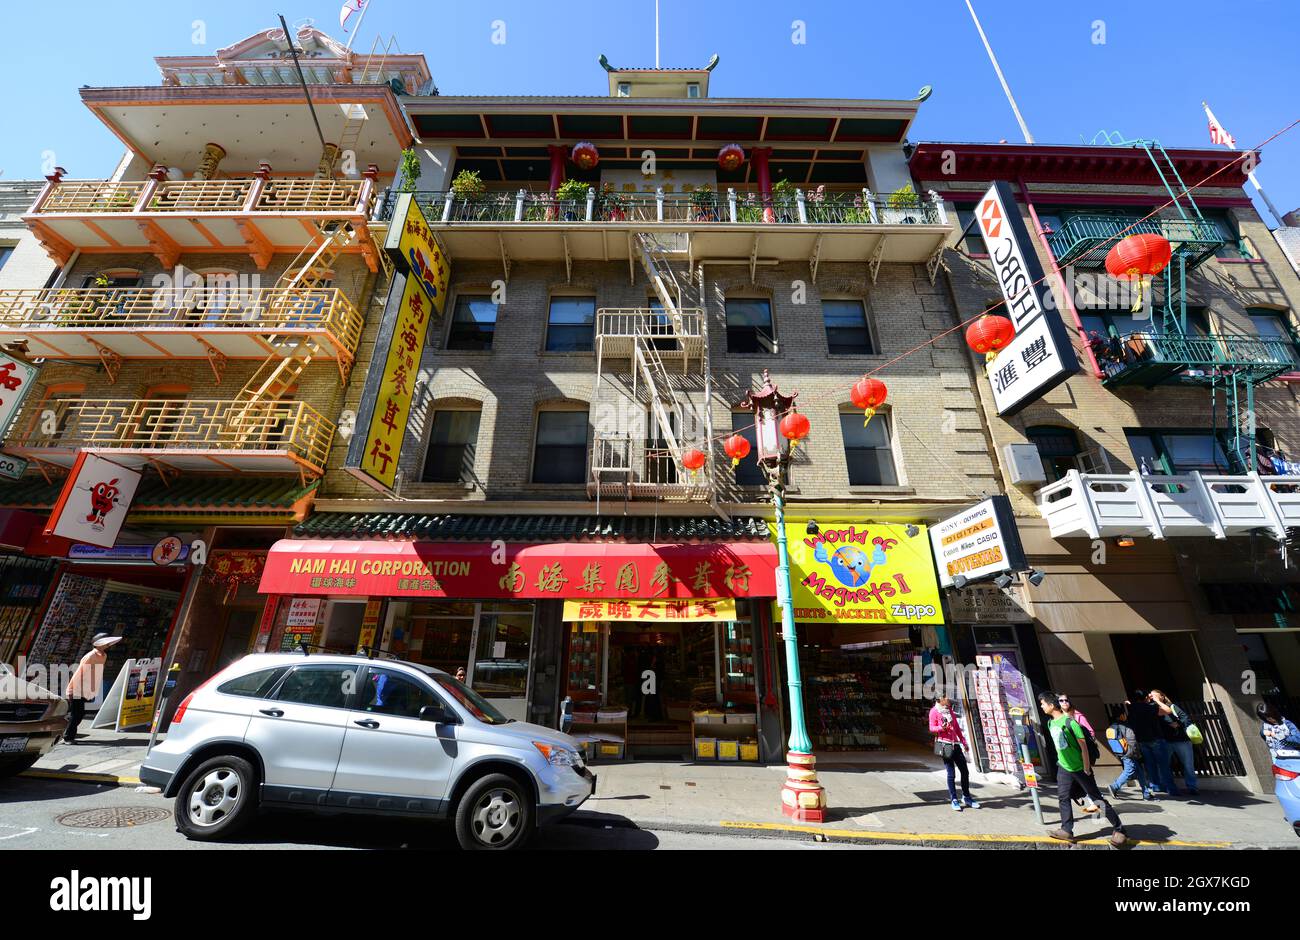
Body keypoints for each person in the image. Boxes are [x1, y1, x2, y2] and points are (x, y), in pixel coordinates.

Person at [1039, 690, 1128, 846]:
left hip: (1081, 768)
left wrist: (1086, 768)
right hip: (1064, 767)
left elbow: (1084, 747)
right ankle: (1067, 830)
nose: (1041, 707)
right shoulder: (1050, 723)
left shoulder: (1070, 723)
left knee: (1096, 798)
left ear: (1051, 705)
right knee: (1063, 797)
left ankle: (1119, 829)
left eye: (1043, 704)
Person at [62, 633, 121, 744]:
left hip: (88, 690)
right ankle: (68, 737)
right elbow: (79, 673)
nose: (108, 644)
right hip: (78, 689)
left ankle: (65, 731)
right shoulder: (90, 656)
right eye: (105, 642)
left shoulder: (103, 656)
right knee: (76, 714)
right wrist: (70, 690)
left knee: (80, 714)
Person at [929, 694, 980, 811]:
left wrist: (964, 742)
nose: (948, 699)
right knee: (951, 773)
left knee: (965, 771)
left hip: (955, 745)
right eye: (946, 697)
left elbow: (956, 727)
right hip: (944, 745)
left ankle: (966, 797)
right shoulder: (934, 711)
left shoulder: (949, 710)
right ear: (939, 699)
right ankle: (954, 799)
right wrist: (942, 728)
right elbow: (931, 728)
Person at [1057, 693, 1100, 814]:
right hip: (1068, 759)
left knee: (1089, 783)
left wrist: (1082, 744)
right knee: (1077, 785)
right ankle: (1093, 802)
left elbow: (1090, 732)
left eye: (1066, 700)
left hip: (1081, 755)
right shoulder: (1057, 719)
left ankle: (1099, 806)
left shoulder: (1077, 715)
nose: (1064, 702)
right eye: (1061, 700)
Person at [1151, 689, 1198, 797]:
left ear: (1162, 696)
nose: (1153, 698)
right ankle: (1164, 785)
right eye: (1152, 696)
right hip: (1166, 741)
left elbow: (1186, 719)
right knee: (1163, 764)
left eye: (1155, 695)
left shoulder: (1172, 707)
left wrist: (1178, 724)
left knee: (1188, 764)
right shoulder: (1154, 709)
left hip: (1181, 740)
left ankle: (1192, 787)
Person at [1125, 689, 1171, 795]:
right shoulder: (1150, 707)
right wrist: (1157, 701)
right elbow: (1168, 710)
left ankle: (1156, 786)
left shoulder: (1132, 709)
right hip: (1155, 738)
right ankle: (1171, 788)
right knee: (1163, 764)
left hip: (1142, 740)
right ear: (1146, 698)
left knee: (1150, 765)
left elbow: (1133, 706)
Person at [1106, 704, 1153, 800]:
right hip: (1130, 753)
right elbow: (1132, 741)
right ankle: (1114, 786)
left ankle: (1146, 793)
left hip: (1122, 752)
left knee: (1140, 772)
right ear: (1122, 715)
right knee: (1129, 770)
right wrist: (1136, 754)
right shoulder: (1125, 726)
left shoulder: (1113, 726)